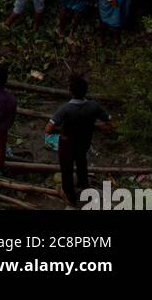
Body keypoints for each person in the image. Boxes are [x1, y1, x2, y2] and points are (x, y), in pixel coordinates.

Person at [46, 75, 112, 208]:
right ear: (86, 91)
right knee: (82, 161)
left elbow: (48, 129)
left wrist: (61, 133)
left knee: (67, 169)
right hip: (84, 142)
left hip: (68, 143)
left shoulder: (65, 109)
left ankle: (70, 195)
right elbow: (109, 125)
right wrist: (93, 126)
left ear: (70, 91)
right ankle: (84, 186)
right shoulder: (94, 106)